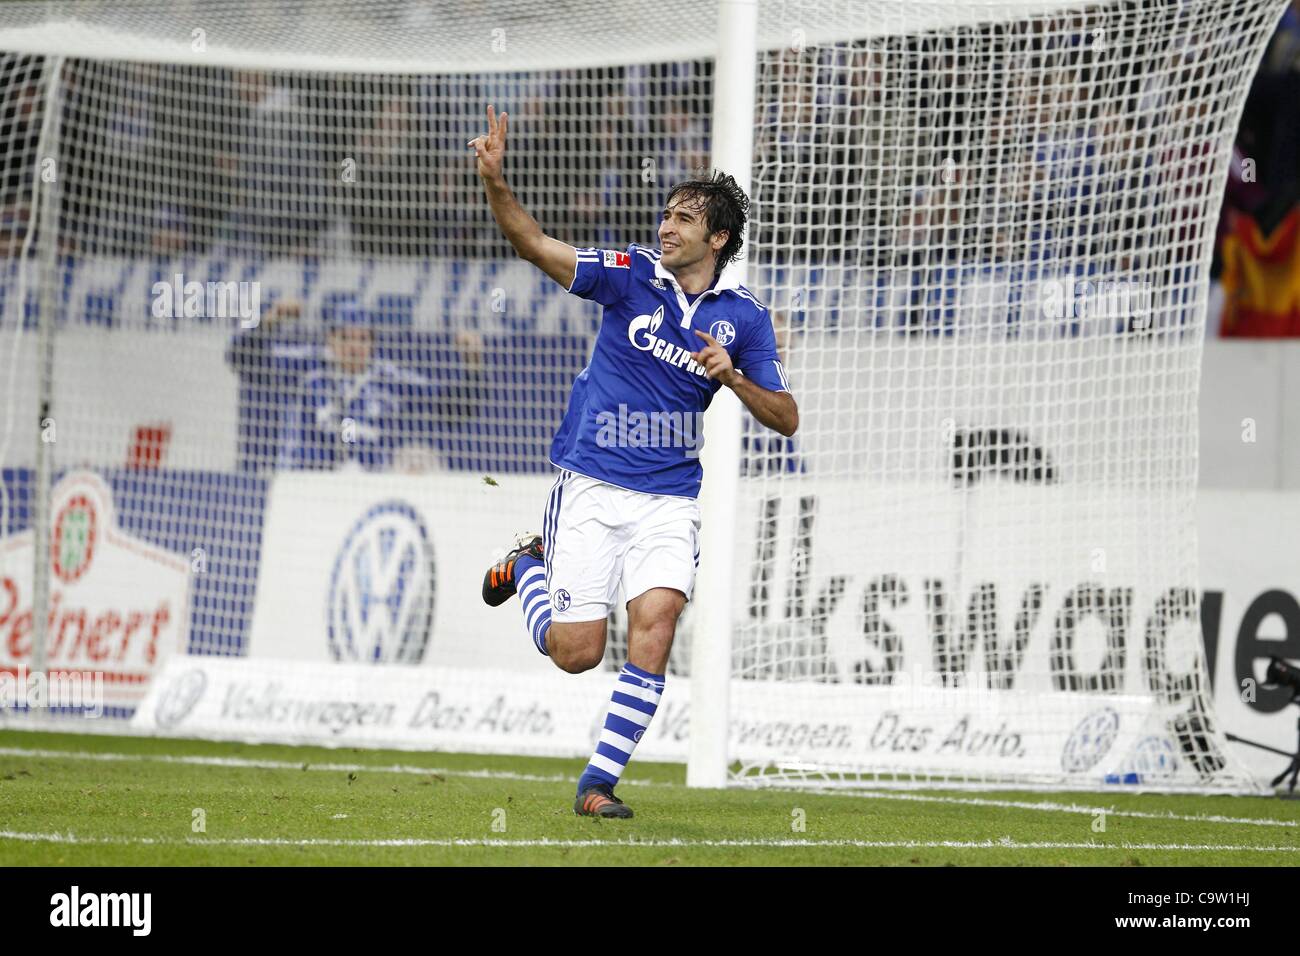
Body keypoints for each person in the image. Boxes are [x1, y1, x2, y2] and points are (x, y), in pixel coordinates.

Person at [469, 105, 798, 819]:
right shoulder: (626, 275)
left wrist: (733, 377)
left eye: (684, 218)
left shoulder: (744, 319)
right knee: (578, 652)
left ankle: (597, 785)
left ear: (718, 238)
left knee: (657, 624)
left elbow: (786, 418)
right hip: (591, 482)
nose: (666, 226)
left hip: (670, 499)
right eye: (666, 214)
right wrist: (496, 181)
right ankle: (527, 566)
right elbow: (532, 244)